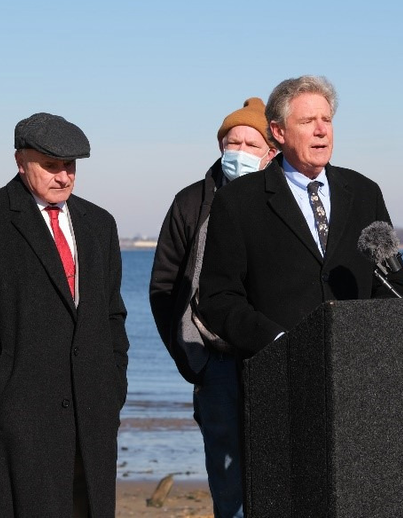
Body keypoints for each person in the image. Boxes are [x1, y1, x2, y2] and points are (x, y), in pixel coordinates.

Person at [0, 112, 129, 518]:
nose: (63, 176)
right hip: (17, 421)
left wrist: (113, 383)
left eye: (71, 166)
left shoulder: (99, 223)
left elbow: (113, 315)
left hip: (92, 417)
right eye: (51, 165)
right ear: (19, 160)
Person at [196, 75, 403, 357]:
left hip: (360, 368)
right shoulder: (238, 201)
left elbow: (395, 282)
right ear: (279, 131)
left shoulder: (364, 192)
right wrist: (278, 343)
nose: (322, 130)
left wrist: (368, 336)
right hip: (278, 373)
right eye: (308, 121)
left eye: (327, 119)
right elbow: (219, 298)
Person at [149, 97, 277, 518]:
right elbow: (164, 287)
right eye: (231, 142)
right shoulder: (192, 202)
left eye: (250, 143)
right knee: (229, 488)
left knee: (281, 476)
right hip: (216, 364)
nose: (238, 152)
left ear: (271, 151)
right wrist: (192, 360)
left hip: (275, 358)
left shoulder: (283, 202)